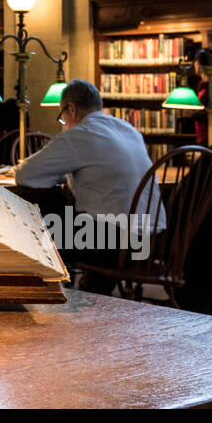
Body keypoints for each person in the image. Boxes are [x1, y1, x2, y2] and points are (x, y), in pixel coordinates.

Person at [13, 79, 159, 294]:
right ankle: (93, 289)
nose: (63, 122)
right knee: (69, 216)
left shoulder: (80, 134)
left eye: (62, 116)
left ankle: (38, 295)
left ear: (71, 109)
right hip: (152, 240)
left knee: (40, 219)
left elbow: (26, 176)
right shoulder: (127, 128)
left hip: (114, 244)